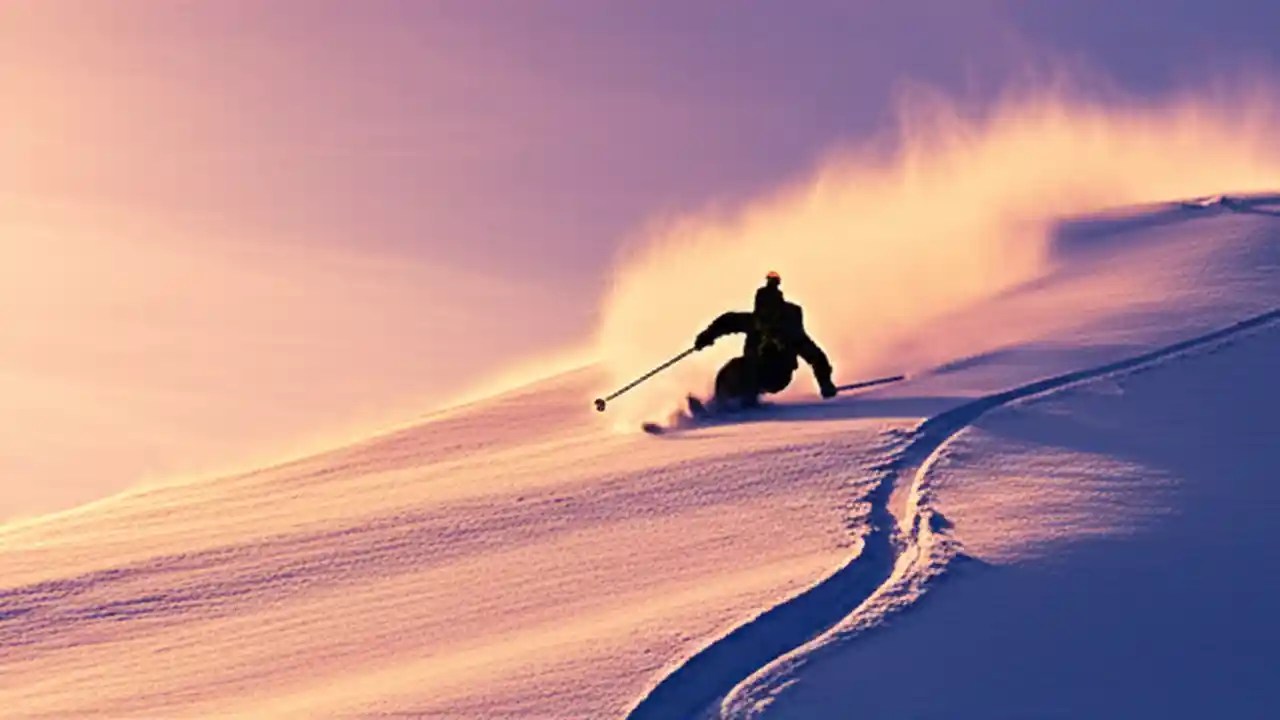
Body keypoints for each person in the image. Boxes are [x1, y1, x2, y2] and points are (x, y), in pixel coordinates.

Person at [694, 272, 837, 407]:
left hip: (778, 375)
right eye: (761, 311)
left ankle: (747, 401)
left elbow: (816, 357)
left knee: (749, 367)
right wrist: (706, 337)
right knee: (733, 368)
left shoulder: (790, 332)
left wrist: (825, 383)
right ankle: (722, 402)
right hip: (752, 368)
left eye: (769, 312)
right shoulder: (753, 321)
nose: (765, 316)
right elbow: (727, 321)